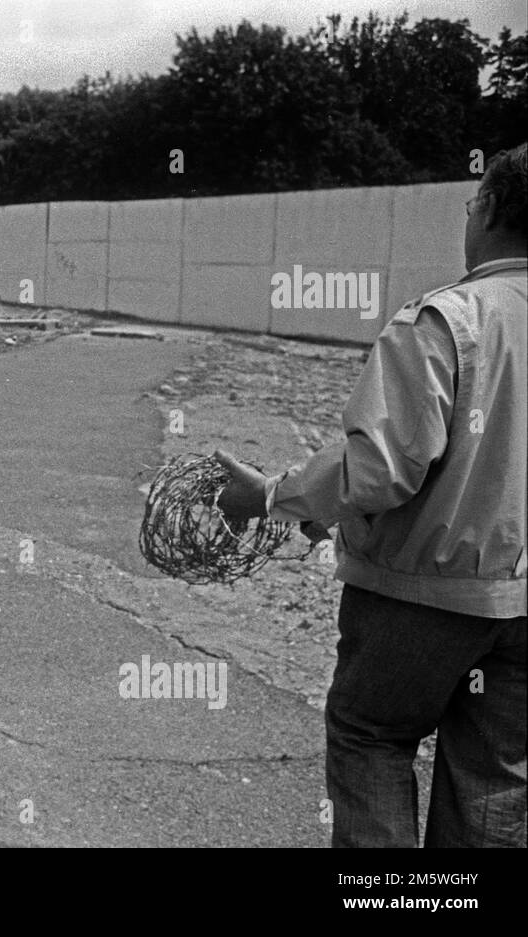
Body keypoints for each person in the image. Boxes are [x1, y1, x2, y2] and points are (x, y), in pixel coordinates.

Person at [216, 144, 527, 848]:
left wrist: (273, 495)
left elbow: (381, 468)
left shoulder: (449, 321)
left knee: (372, 739)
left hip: (422, 600)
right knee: (493, 784)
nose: (468, 217)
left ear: (495, 212)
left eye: (473, 203)